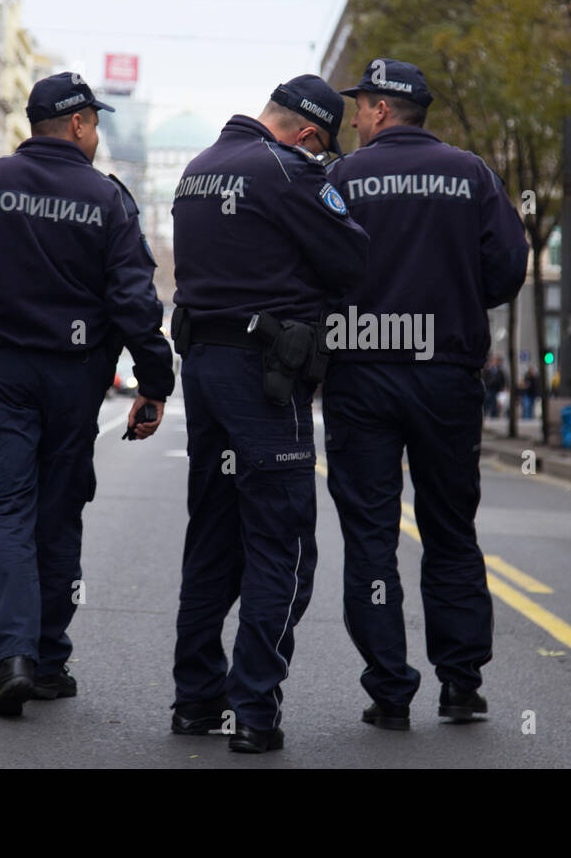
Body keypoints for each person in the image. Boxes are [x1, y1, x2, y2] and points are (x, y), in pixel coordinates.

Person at [0, 71, 174, 718]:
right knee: (58, 510)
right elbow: (135, 301)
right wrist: (154, 381)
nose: (99, 134)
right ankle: (48, 661)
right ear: (78, 124)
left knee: (2, 512)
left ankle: (15, 658)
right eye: (96, 122)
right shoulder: (107, 200)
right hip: (77, 380)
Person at [325, 57, 528, 730]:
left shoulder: (343, 178)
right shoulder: (471, 173)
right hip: (445, 373)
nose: (353, 117)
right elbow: (507, 267)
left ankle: (389, 688)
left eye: (360, 106)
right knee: (449, 529)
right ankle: (460, 682)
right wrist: (460, 301)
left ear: (382, 110)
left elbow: (313, 267)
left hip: (360, 374)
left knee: (371, 535)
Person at [169, 75, 368, 754]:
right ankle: (254, 709)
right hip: (264, 378)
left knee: (212, 537)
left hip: (205, 368)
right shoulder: (286, 170)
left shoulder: (199, 168)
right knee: (283, 548)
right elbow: (353, 258)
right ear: (309, 134)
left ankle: (196, 701)